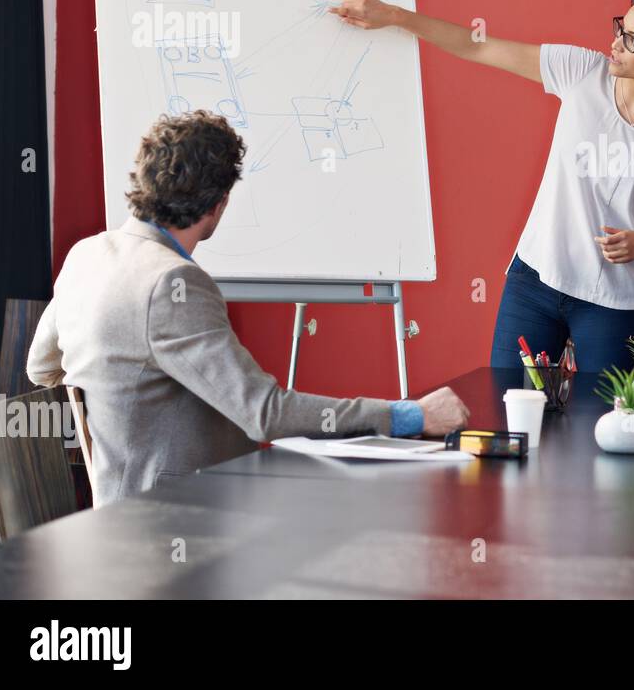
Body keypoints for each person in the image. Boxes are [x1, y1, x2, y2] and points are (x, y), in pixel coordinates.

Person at [26, 112, 470, 507]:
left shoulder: (86, 255)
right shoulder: (171, 282)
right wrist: (409, 415)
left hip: (121, 512)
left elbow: (40, 367)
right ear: (218, 204)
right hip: (177, 523)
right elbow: (265, 414)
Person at [332, 0, 634, 375]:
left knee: (609, 428)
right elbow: (476, 46)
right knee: (509, 416)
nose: (616, 43)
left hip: (614, 302)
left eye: (632, 41)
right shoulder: (582, 71)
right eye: (621, 28)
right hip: (534, 283)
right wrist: (394, 15)